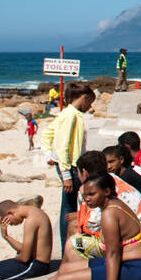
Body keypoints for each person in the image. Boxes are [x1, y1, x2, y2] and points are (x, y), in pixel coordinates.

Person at [49, 83, 95, 250]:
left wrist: (49, 154)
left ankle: (70, 248)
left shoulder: (71, 114)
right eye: (90, 102)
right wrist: (66, 174)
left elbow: (49, 134)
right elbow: (63, 145)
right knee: (69, 208)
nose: (90, 107)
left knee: (72, 206)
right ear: (84, 98)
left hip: (72, 165)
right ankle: (67, 249)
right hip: (70, 167)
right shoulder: (70, 115)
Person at [104, 144, 141, 216]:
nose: (108, 167)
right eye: (105, 163)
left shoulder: (127, 177)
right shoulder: (126, 173)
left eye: (111, 162)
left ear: (121, 160)